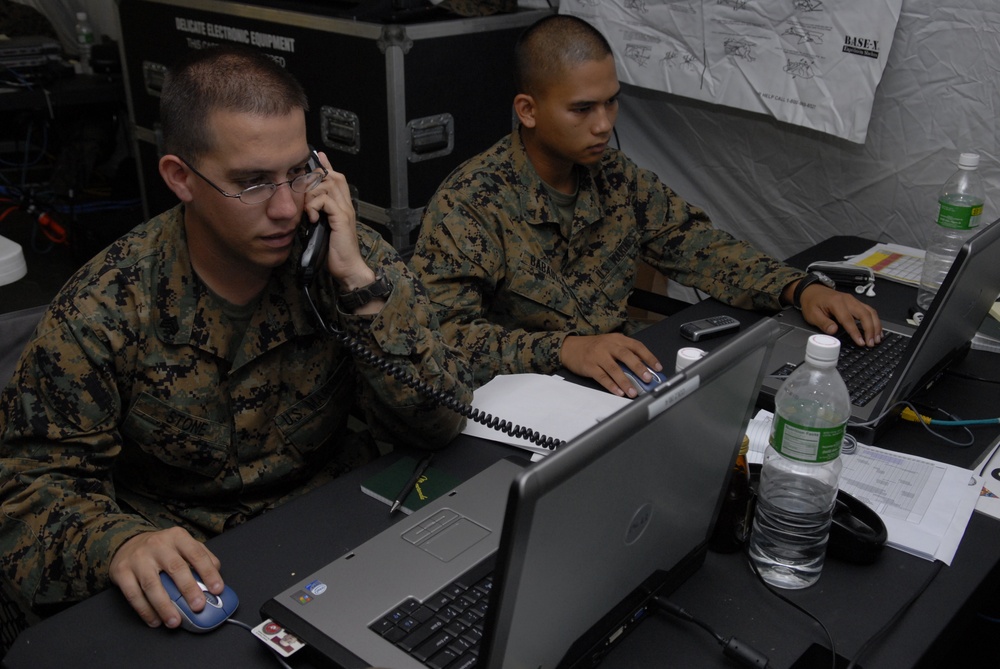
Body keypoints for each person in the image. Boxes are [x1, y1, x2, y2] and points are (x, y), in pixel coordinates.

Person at [0, 44, 473, 637]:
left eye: (299, 172)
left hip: (330, 527)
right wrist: (118, 544)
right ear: (180, 178)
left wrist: (359, 286)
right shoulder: (105, 306)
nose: (284, 208)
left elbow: (440, 422)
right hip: (194, 561)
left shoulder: (343, 254)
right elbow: (26, 488)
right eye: (250, 183)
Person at [410, 14, 882, 398]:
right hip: (520, 404)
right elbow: (439, 338)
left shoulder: (614, 177)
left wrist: (799, 290)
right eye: (582, 109)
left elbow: (698, 246)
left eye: (612, 103)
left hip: (618, 387)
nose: (603, 124)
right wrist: (564, 349)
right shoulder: (471, 203)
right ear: (528, 110)